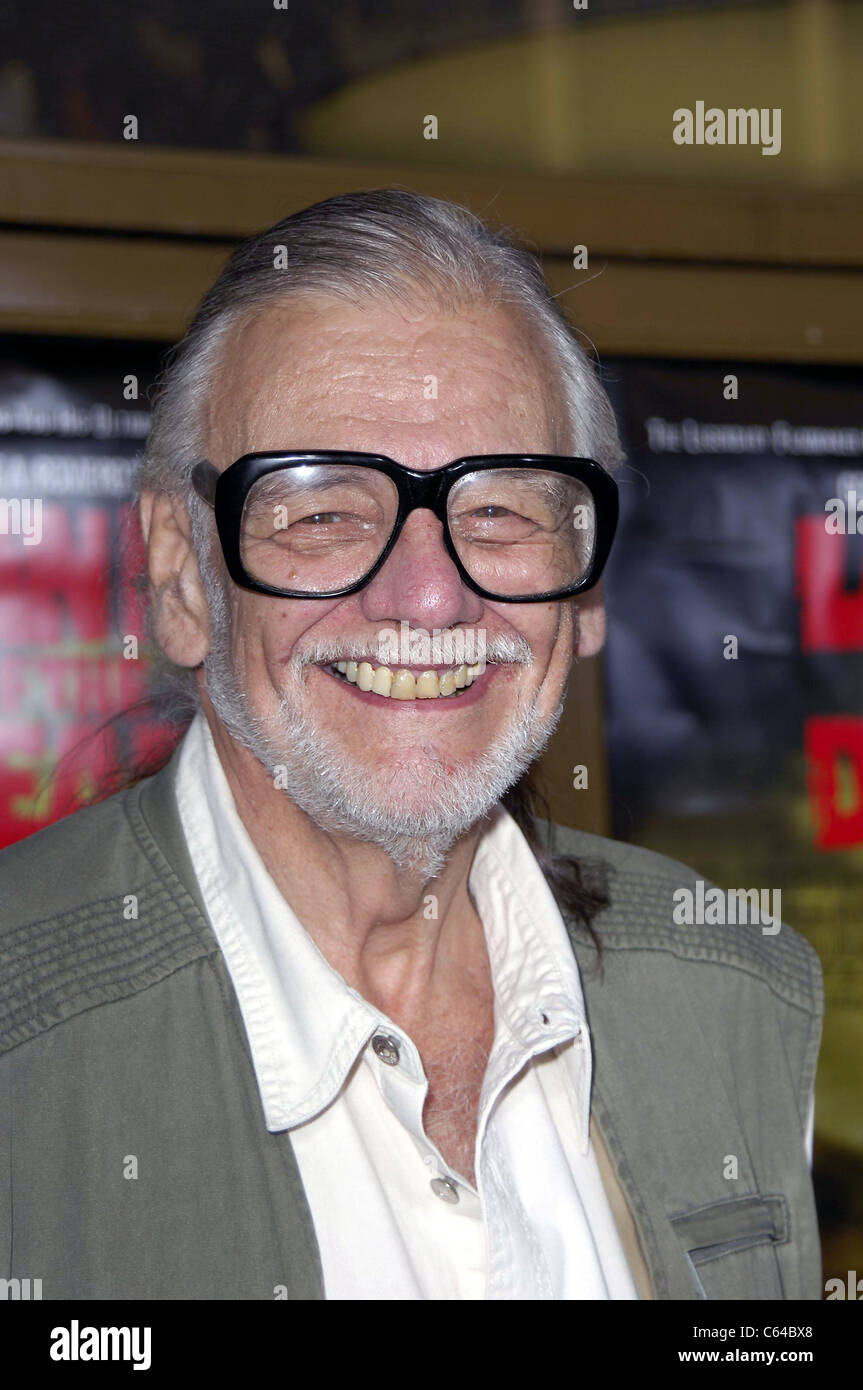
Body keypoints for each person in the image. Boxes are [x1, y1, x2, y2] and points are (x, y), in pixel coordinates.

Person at [0, 189, 821, 1300]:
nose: (428, 597)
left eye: (499, 510)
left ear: (582, 590)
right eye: (322, 508)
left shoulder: (735, 993)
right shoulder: (25, 1055)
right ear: (183, 577)